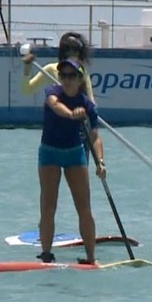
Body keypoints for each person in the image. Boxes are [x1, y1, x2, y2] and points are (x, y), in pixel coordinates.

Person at [35, 57, 106, 265]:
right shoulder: (53, 92)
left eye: (71, 76)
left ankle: (91, 258)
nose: (67, 79)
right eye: (63, 75)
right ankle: (46, 254)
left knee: (84, 208)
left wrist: (100, 162)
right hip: (49, 153)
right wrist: (72, 115)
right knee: (48, 206)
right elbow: (56, 106)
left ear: (79, 78)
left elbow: (95, 137)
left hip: (74, 153)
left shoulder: (87, 105)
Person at [22, 31, 95, 100]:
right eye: (67, 49)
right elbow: (26, 90)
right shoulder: (51, 69)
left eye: (75, 49)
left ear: (79, 52)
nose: (71, 52)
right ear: (63, 51)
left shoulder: (82, 71)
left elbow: (90, 99)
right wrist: (27, 66)